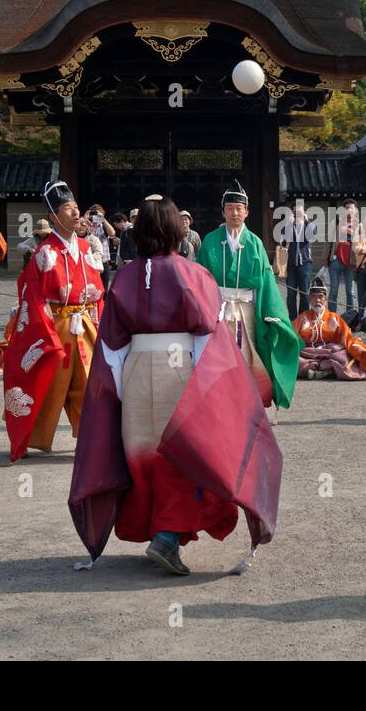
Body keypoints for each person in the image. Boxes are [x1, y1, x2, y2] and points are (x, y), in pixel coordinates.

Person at [70, 195, 283, 577]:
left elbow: (111, 346)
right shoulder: (192, 274)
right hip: (179, 368)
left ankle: (158, 530)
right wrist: (218, 393)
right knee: (181, 454)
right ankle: (167, 536)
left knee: (143, 455)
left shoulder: (124, 277)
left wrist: (117, 393)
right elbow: (207, 339)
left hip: (136, 369)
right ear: (176, 230)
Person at [2, 180, 103, 462]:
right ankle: (31, 436)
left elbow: (97, 292)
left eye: (76, 208)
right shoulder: (45, 252)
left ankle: (91, 439)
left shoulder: (85, 248)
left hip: (84, 323)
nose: (75, 213)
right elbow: (33, 296)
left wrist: (98, 323)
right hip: (55, 324)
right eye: (68, 209)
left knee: (90, 382)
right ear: (54, 216)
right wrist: (46, 335)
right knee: (49, 382)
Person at [197, 179, 301, 420]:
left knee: (248, 357)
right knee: (217, 358)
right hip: (218, 310)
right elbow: (201, 278)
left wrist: (274, 313)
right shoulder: (210, 241)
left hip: (246, 310)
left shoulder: (255, 243)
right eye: (230, 208)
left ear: (247, 212)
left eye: (239, 208)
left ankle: (247, 407)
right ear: (223, 211)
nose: (235, 212)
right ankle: (219, 406)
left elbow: (266, 283)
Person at [295, 279, 366, 379]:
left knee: (342, 358)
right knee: (294, 360)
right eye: (314, 297)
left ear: (326, 299)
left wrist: (365, 351)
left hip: (330, 352)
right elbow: (291, 335)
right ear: (309, 299)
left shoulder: (334, 317)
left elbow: (348, 337)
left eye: (320, 297)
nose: (317, 300)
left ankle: (321, 371)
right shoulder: (303, 317)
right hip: (308, 354)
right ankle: (328, 371)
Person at [280, 202, 317, 320]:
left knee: (305, 294)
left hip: (305, 264)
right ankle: (292, 319)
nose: (297, 214)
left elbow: (312, 236)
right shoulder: (289, 225)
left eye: (300, 212)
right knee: (291, 294)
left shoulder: (308, 225)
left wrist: (307, 221)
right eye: (295, 212)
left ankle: (303, 319)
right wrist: (288, 223)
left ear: (304, 213)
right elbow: (282, 238)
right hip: (290, 264)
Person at [328, 199, 359, 316]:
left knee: (350, 292)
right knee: (333, 290)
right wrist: (325, 258)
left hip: (351, 261)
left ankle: (350, 317)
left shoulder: (359, 225)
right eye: (347, 208)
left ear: (356, 210)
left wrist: (352, 233)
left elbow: (362, 243)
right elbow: (329, 241)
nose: (349, 211)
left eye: (352, 208)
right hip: (336, 260)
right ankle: (332, 316)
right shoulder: (336, 222)